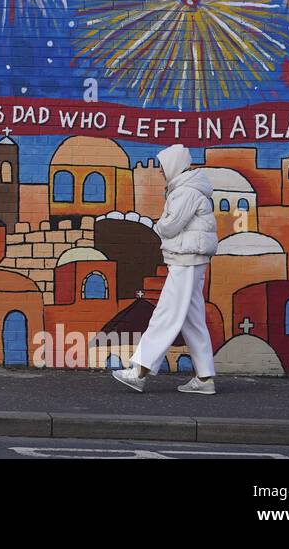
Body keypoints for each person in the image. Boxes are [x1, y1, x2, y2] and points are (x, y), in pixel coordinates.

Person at [113, 144, 219, 395]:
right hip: (189, 258)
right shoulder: (188, 189)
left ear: (174, 165)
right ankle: (204, 378)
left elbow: (170, 226)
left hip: (186, 259)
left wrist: (158, 227)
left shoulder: (186, 192)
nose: (160, 171)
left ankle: (139, 370)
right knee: (192, 321)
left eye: (162, 166)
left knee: (166, 314)